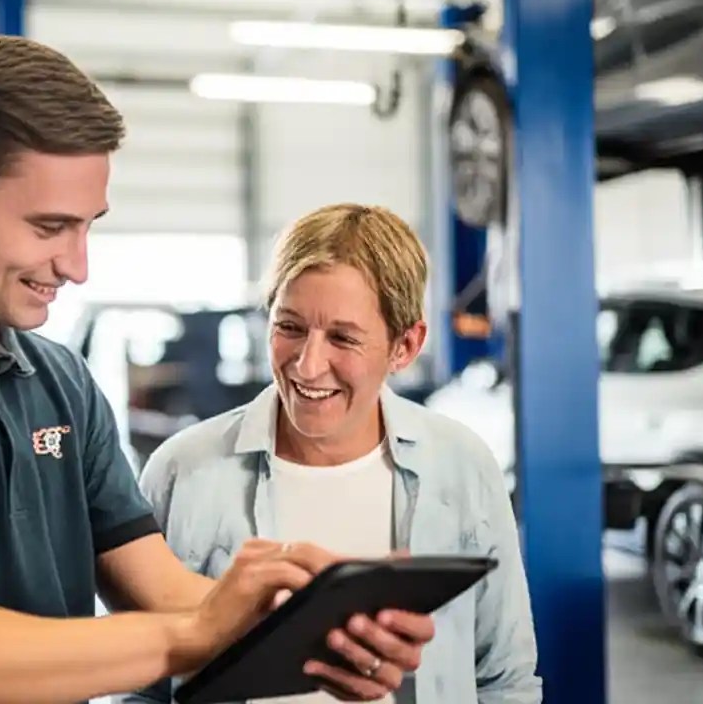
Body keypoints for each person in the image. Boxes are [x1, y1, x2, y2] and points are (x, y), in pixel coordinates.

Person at [0, 36, 437, 704]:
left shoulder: (58, 382)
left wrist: (311, 629)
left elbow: (162, 590)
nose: (77, 265)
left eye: (89, 224)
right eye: (49, 227)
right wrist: (190, 635)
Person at [129, 204, 541, 704]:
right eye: (290, 327)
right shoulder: (184, 471)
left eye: (343, 337)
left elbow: (505, 680)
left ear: (405, 346)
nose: (308, 364)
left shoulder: (462, 467)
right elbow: (140, 689)